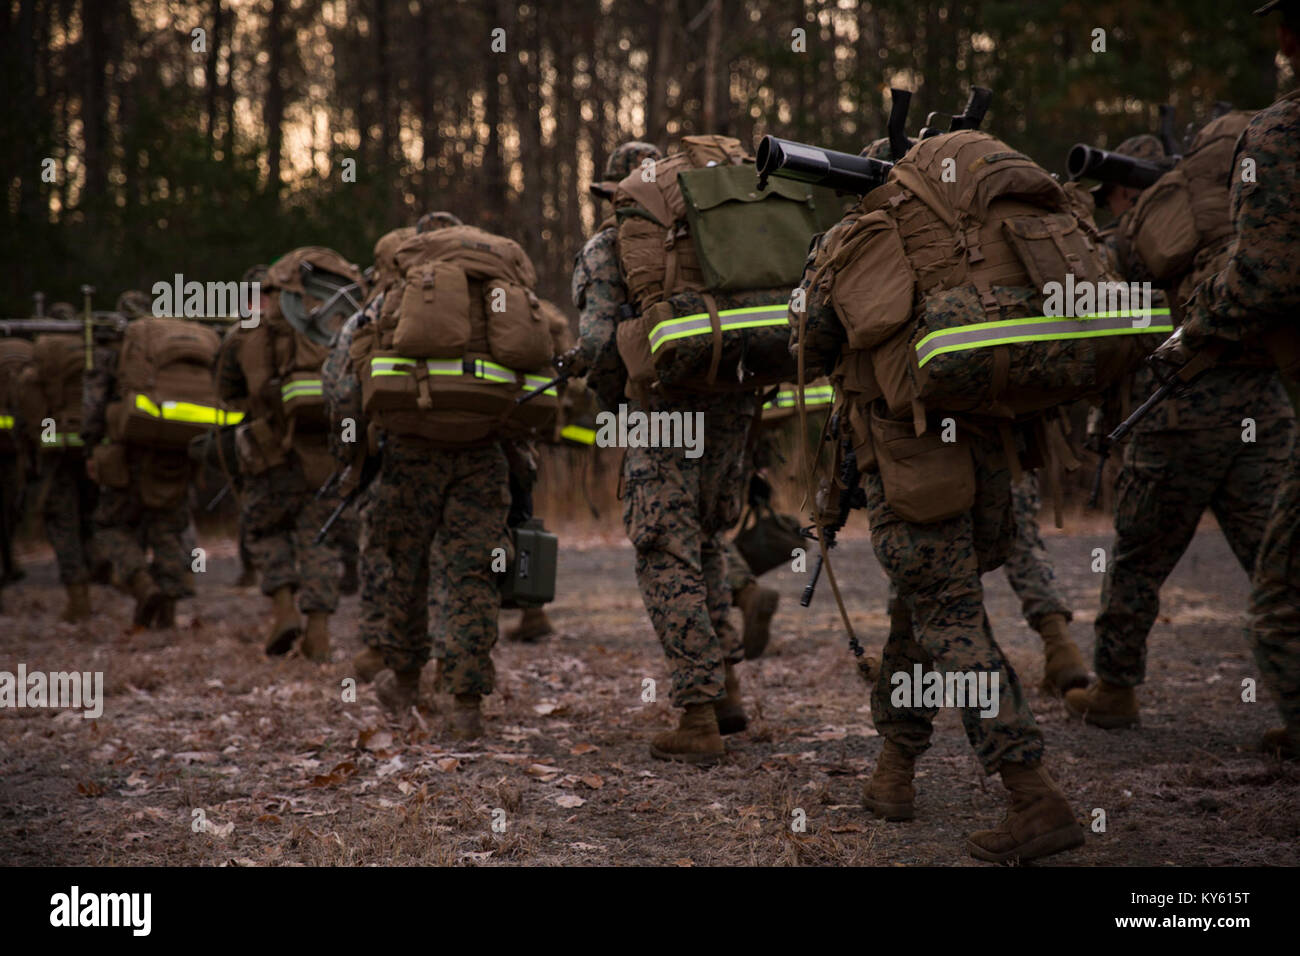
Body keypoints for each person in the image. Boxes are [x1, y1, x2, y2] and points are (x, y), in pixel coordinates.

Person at [1068, 109, 1295, 729]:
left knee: (1141, 557)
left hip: (1181, 410)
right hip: (1266, 403)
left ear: (1121, 189)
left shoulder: (1146, 232)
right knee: (1276, 560)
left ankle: (1114, 690)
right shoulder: (1229, 214)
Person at [1150, 0, 1300, 758]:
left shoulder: (1279, 132)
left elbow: (1264, 275)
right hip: (1270, 406)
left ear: (1286, 37)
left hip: (1234, 395)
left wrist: (1196, 325)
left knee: (1279, 606)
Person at [217, 248, 364, 660]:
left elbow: (228, 393)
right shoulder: (331, 326)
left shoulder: (245, 335)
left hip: (269, 455)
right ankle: (319, 631)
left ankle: (283, 609)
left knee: (266, 532)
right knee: (319, 540)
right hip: (326, 456)